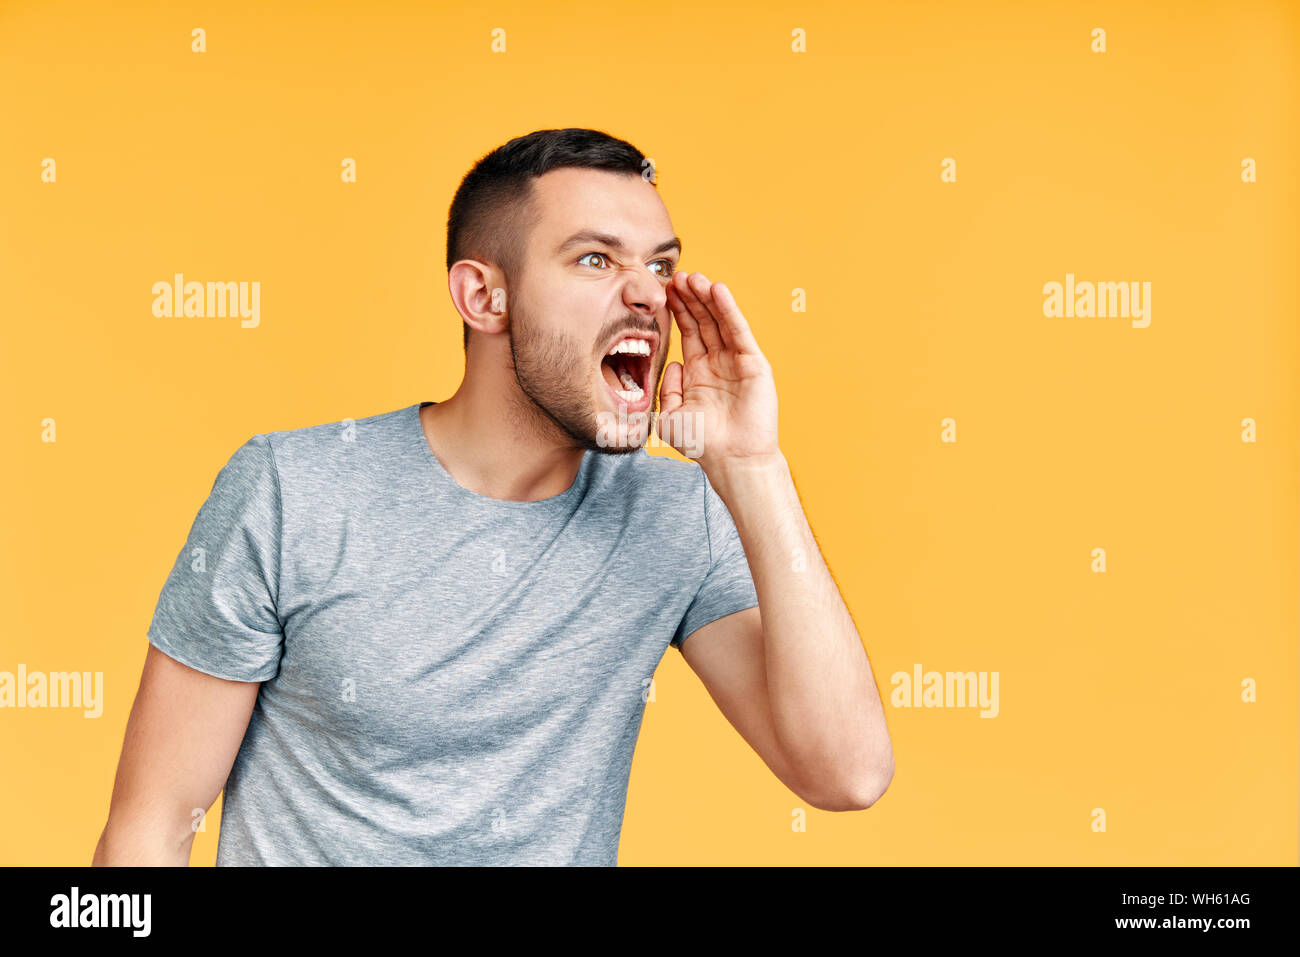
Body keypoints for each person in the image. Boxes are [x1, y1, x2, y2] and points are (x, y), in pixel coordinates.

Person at [93, 128, 893, 866]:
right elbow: (152, 824)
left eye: (659, 264)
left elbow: (847, 773)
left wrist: (752, 464)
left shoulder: (672, 514)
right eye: (595, 260)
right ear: (484, 297)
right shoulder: (290, 490)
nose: (650, 296)